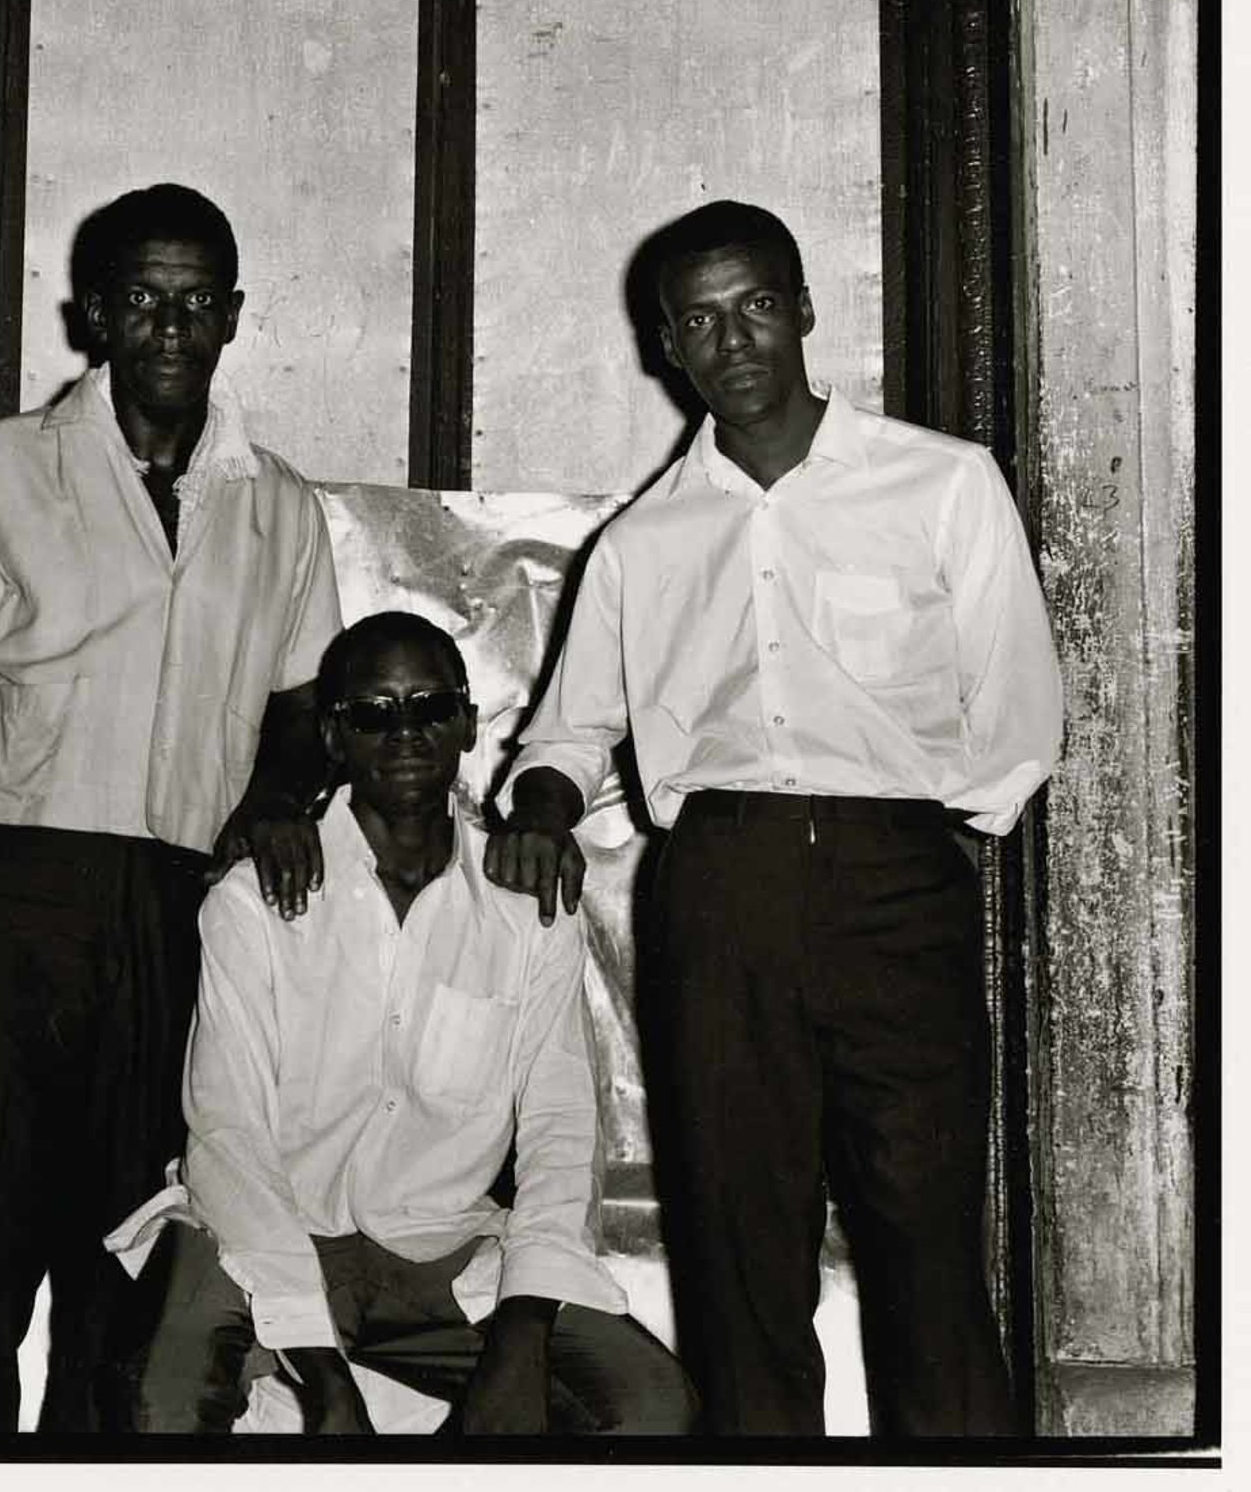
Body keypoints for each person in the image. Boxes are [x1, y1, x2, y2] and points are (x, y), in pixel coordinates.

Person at [486, 199, 1062, 1437]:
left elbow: (1016, 711)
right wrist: (537, 806)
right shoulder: (643, 539)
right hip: (719, 891)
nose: (733, 339)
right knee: (736, 1253)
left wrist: (908, 845)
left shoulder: (941, 482)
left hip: (895, 881)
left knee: (925, 1239)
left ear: (800, 309)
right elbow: (568, 733)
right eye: (699, 320)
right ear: (667, 347)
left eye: (754, 306)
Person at [0, 183, 342, 1433]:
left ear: (232, 316)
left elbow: (301, 708)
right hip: (13, 893)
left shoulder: (281, 504)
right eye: (142, 299)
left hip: (182, 911)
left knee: (129, 1263)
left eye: (195, 301)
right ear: (94, 316)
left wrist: (277, 795)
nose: (169, 327)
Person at [128, 611, 695, 1439]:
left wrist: (521, 1337)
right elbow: (229, 1139)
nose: (405, 732)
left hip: (439, 1252)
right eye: (373, 713)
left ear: (468, 724)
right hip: (265, 1237)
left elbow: (562, 1131)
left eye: (430, 707)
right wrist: (323, 1375)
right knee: (166, 1403)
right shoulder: (256, 901)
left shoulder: (525, 910)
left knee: (649, 1408)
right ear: (334, 736)